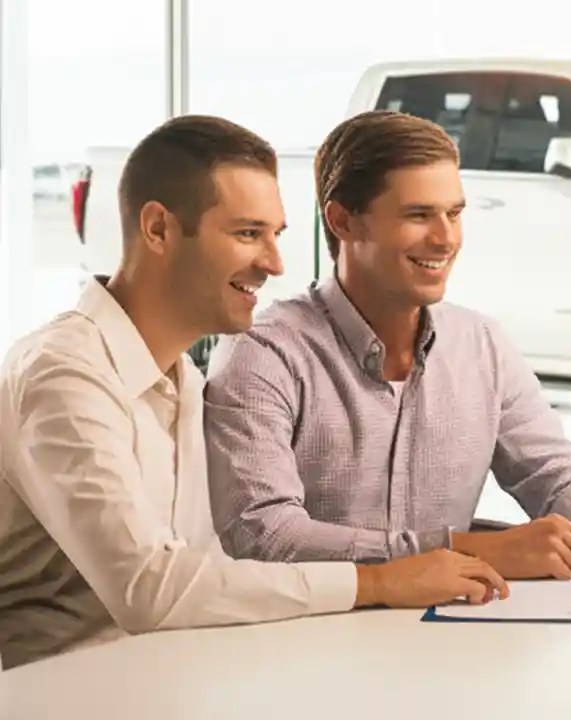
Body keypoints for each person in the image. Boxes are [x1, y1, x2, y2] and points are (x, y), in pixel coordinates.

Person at [0, 116, 508, 669]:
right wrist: (378, 581)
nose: (274, 263)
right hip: (47, 691)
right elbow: (149, 587)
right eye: (247, 234)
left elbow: (208, 572)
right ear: (159, 230)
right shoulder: (63, 374)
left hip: (159, 681)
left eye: (275, 235)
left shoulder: (184, 384)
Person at [203, 111, 571, 580]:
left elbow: (552, 470)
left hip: (456, 638)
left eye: (454, 213)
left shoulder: (481, 344)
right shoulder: (261, 355)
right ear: (343, 221)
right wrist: (464, 551)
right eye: (418, 215)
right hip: (307, 642)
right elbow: (262, 535)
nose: (445, 238)